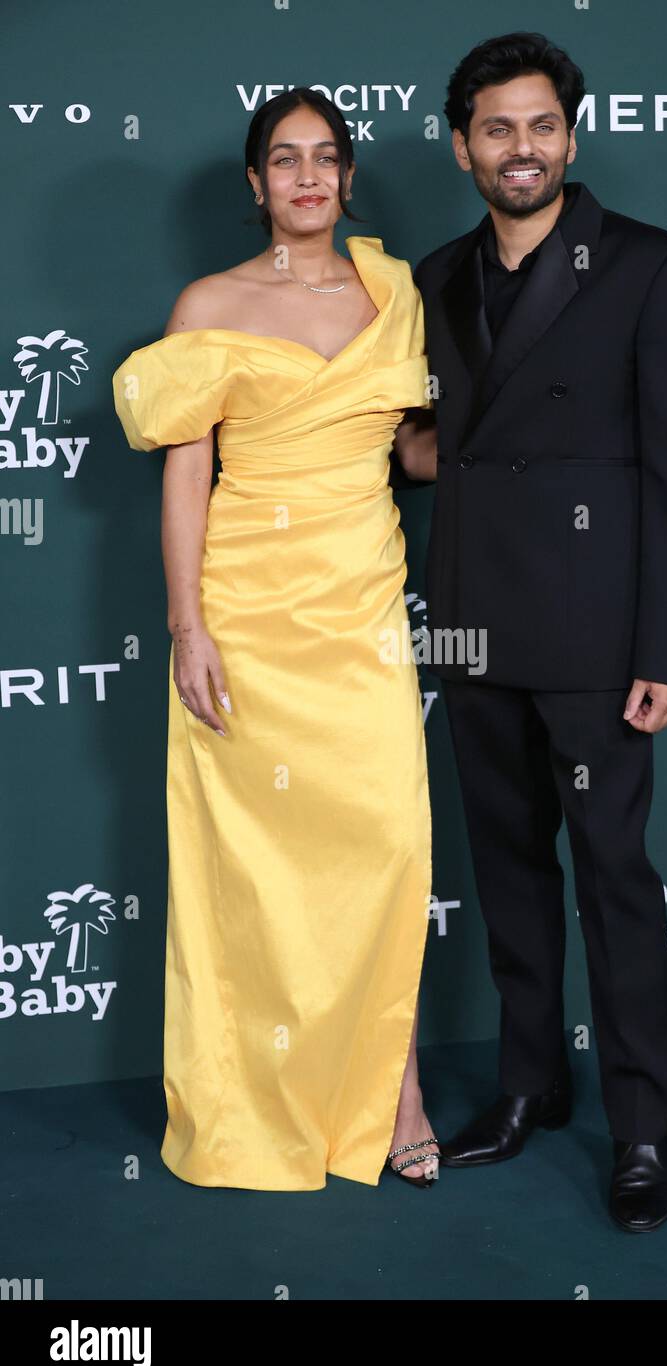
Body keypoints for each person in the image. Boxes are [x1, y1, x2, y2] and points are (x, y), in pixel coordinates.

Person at [404, 32, 667, 1229]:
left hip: (597, 635)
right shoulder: (433, 276)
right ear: (460, 146)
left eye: (540, 126)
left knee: (613, 880)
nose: (519, 148)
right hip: (470, 627)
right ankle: (526, 1087)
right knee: (505, 877)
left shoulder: (649, 267)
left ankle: (641, 1128)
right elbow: (426, 444)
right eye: (496, 128)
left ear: (570, 139)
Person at [112, 89, 441, 1191]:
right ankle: (251, 1100)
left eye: (326, 158)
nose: (307, 176)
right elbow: (187, 468)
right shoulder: (211, 300)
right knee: (249, 872)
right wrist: (186, 624)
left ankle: (395, 1090)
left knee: (387, 849)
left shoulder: (394, 295)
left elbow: (416, 454)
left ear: (349, 179)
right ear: (254, 184)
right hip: (248, 611)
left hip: (359, 606)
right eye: (284, 160)